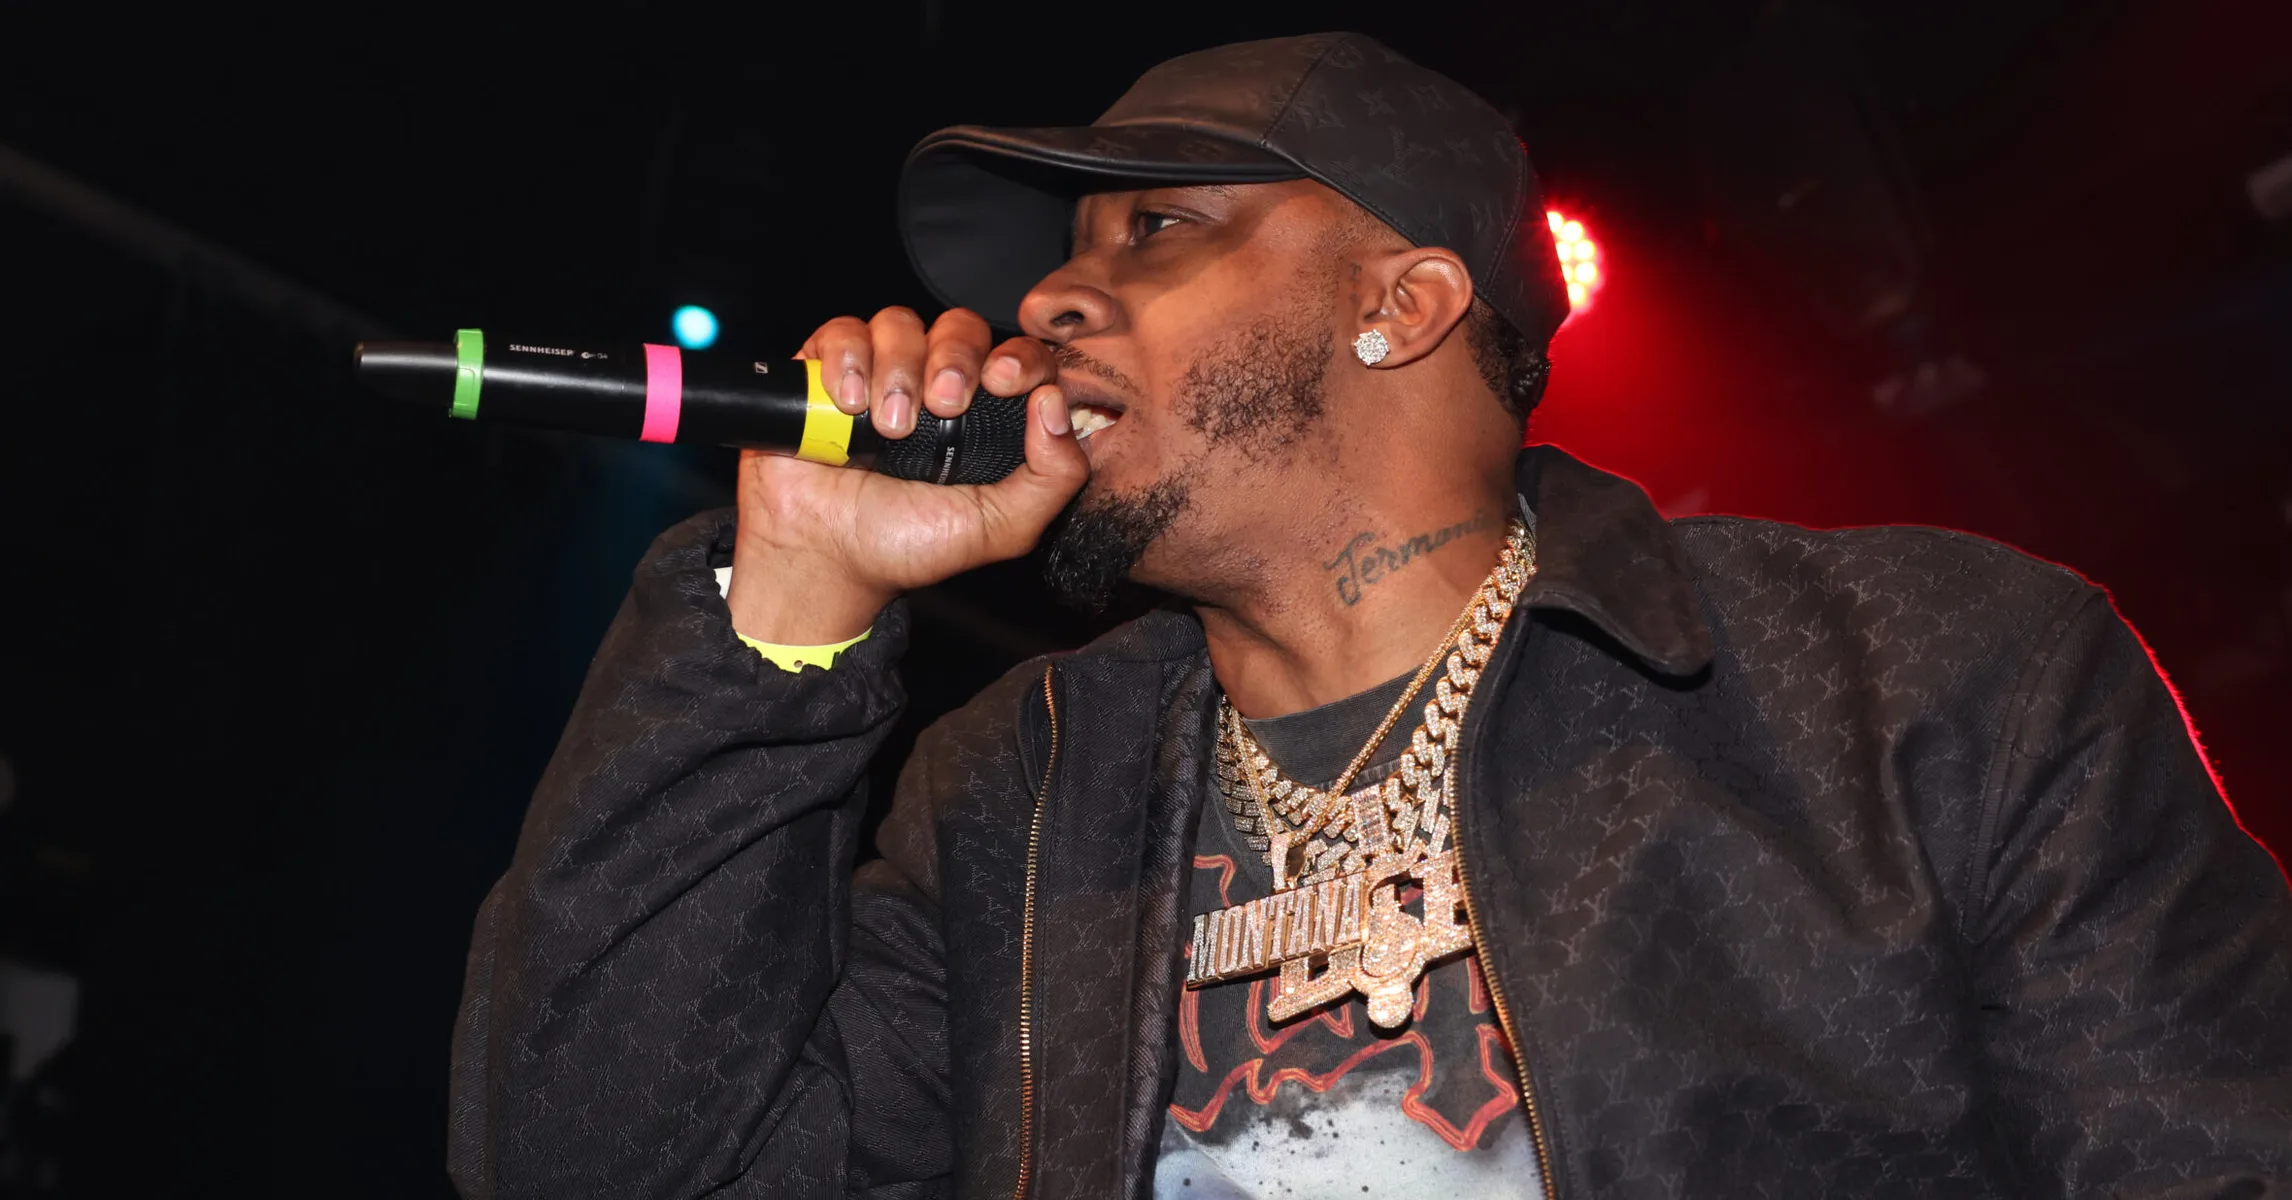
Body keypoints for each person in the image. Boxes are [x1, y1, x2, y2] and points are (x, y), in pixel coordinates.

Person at [446, 31, 2292, 1200]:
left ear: (1401, 305)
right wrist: (784, 609)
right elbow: (600, 1170)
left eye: (1155, 232)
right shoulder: (1014, 801)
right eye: (1060, 268)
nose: (1052, 311)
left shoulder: (1911, 682)